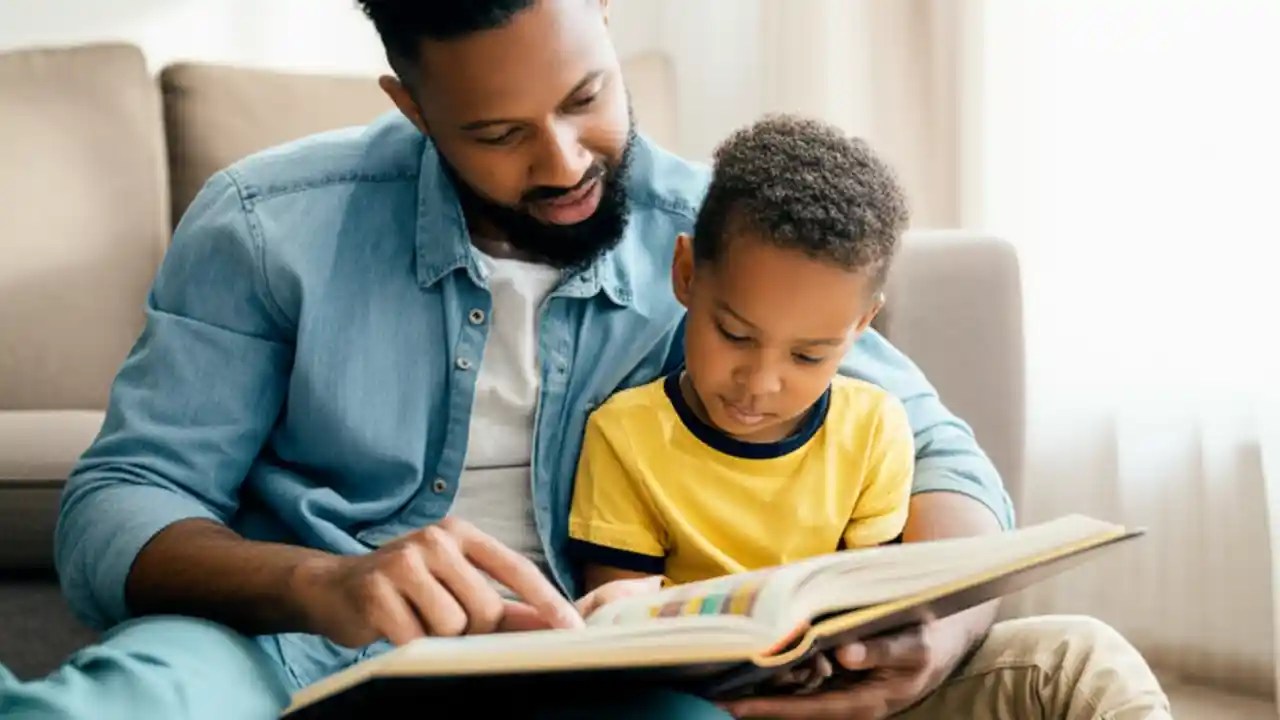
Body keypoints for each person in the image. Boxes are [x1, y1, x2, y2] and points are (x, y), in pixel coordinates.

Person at [22, 1, 1168, 719]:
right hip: (284, 646)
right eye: (498, 132)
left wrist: (937, 629)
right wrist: (318, 584)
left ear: (610, 23)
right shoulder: (269, 225)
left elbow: (941, 464)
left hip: (606, 677)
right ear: (409, 104)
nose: (566, 160)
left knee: (1068, 665)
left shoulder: (716, 234)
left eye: (585, 98)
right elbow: (117, 506)